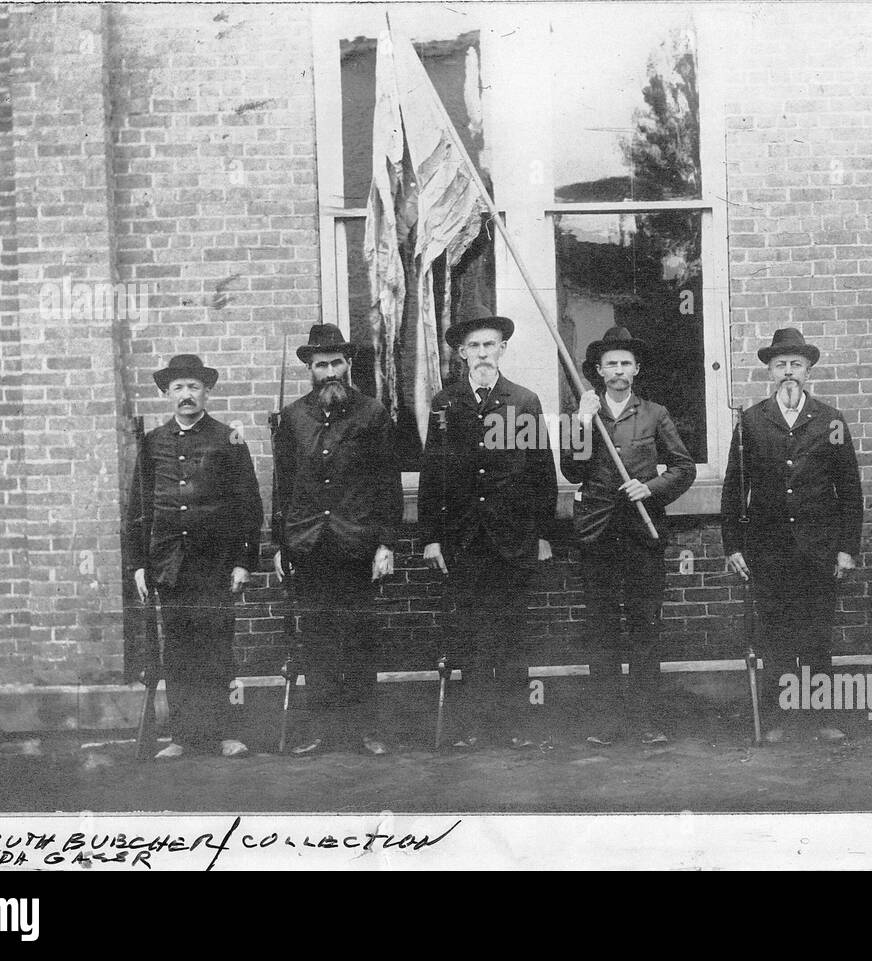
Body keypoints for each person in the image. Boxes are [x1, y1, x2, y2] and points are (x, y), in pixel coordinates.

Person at [418, 312, 557, 749]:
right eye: (474, 346)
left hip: (512, 538)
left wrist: (541, 533)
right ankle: (474, 727)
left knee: (512, 631)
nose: (482, 353)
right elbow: (431, 474)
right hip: (464, 540)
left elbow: (541, 473)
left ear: (502, 350)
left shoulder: (524, 401)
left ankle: (514, 726)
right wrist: (432, 537)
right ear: (461, 354)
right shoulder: (445, 404)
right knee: (471, 633)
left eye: (490, 345)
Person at [721, 328, 863, 742]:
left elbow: (850, 489)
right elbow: (734, 488)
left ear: (808, 370)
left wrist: (846, 549)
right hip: (769, 550)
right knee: (777, 635)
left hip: (819, 548)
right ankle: (780, 717)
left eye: (796, 365)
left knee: (817, 634)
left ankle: (822, 717)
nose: (789, 372)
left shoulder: (830, 420)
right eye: (780, 365)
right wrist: (733, 546)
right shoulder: (751, 421)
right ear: (769, 371)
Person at [271, 323, 403, 755]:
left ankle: (367, 730)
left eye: (336, 363)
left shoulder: (372, 413)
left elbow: (387, 482)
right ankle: (323, 730)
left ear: (349, 365)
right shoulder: (292, 418)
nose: (330, 371)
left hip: (357, 542)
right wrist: (280, 544)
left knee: (359, 635)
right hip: (309, 543)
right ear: (309, 369)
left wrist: (385, 543)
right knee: (318, 638)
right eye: (321, 364)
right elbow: (283, 485)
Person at [561, 326, 695, 745]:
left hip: (641, 531)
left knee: (644, 626)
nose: (618, 371)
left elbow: (683, 468)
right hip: (598, 532)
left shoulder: (656, 414)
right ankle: (605, 722)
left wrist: (649, 488)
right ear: (598, 371)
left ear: (636, 369)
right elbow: (572, 471)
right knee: (601, 628)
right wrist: (583, 422)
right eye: (610, 364)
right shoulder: (582, 413)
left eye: (625, 363)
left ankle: (646, 720)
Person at [125, 354, 263, 759]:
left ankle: (223, 733)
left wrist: (242, 561)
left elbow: (247, 506)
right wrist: (138, 564)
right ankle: (183, 736)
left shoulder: (228, 439)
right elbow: (139, 507)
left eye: (194, 387)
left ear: (207, 392)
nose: (186, 395)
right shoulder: (153, 444)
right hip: (169, 563)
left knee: (217, 646)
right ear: (168, 394)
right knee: (179, 650)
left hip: (215, 563)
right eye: (179, 388)